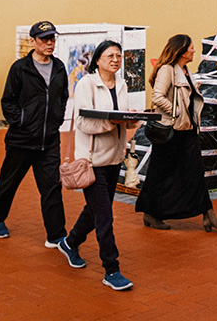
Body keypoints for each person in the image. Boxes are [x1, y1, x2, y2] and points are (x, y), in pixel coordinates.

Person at [58, 40, 137, 291]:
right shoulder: (86, 84)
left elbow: (121, 119)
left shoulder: (122, 84)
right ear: (98, 59)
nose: (115, 59)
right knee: (104, 216)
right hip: (91, 161)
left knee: (94, 210)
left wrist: (131, 121)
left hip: (114, 158)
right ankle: (111, 269)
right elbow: (84, 123)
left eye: (119, 55)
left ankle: (70, 243)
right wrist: (112, 123)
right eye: (110, 55)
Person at [135, 34, 217, 232]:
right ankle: (151, 214)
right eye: (191, 47)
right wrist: (176, 112)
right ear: (181, 50)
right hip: (170, 131)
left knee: (195, 170)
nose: (194, 50)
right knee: (160, 173)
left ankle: (208, 213)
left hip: (187, 130)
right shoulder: (167, 70)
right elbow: (158, 97)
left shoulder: (185, 71)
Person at [0, 20, 68, 248]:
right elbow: (8, 101)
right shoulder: (20, 68)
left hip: (49, 140)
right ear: (32, 42)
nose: (50, 43)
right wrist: (22, 121)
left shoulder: (60, 67)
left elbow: (63, 97)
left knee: (52, 188)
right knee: (9, 182)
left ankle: (56, 235)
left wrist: (56, 120)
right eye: (44, 39)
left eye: (52, 38)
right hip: (21, 140)